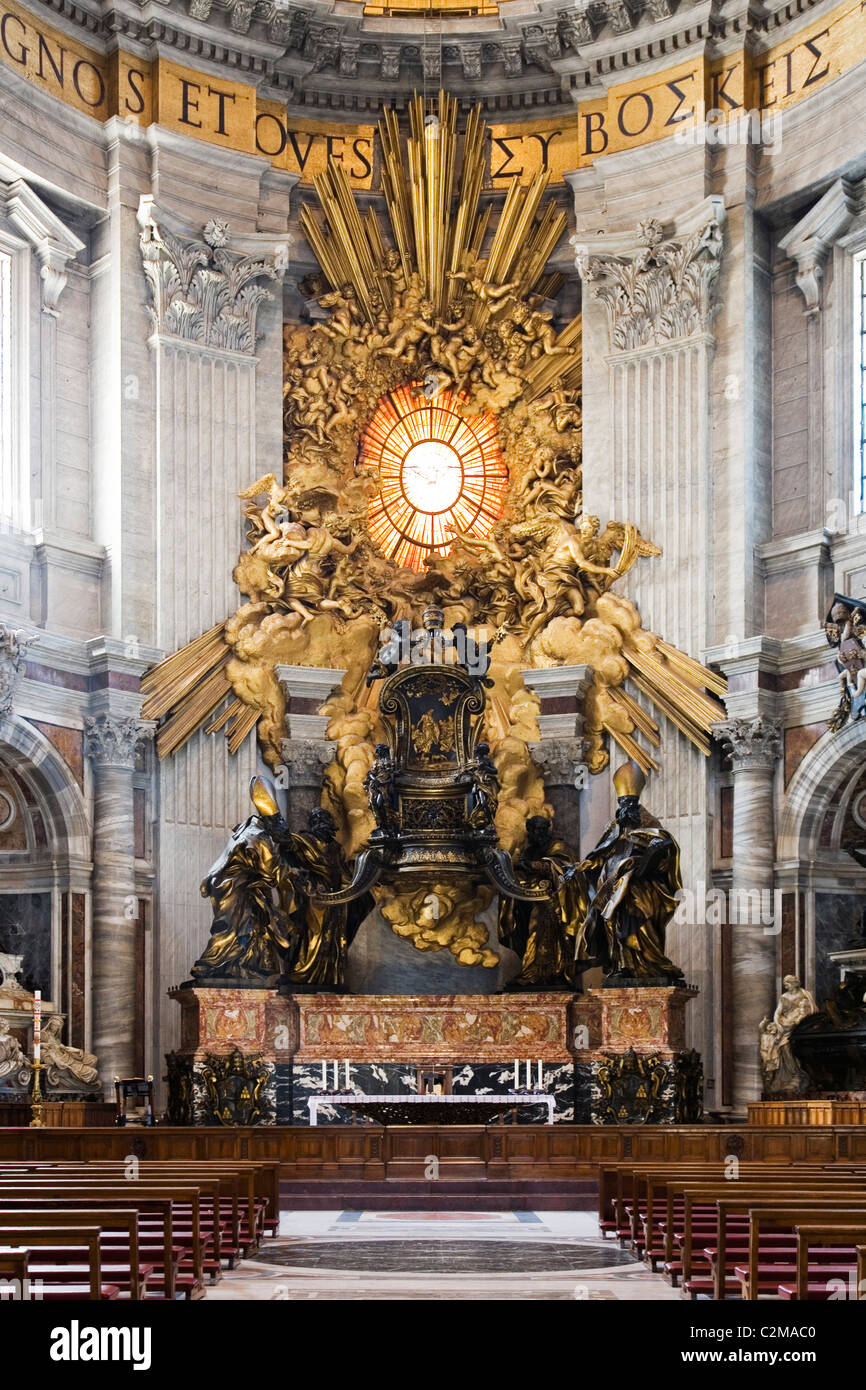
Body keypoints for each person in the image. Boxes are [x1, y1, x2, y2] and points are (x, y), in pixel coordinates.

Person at [576, 761, 684, 984]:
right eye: (622, 802)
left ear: (636, 803)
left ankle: (649, 963)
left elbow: (666, 850)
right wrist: (584, 868)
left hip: (641, 889)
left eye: (629, 802)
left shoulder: (649, 824)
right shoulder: (614, 828)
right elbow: (597, 855)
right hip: (614, 889)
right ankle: (621, 965)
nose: (625, 807)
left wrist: (644, 860)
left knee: (639, 924)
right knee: (614, 925)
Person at [190, 776, 296, 986]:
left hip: (228, 885)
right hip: (234, 889)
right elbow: (271, 875)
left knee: (254, 926)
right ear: (272, 825)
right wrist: (293, 873)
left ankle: (247, 967)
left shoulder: (246, 828)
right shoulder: (259, 837)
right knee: (232, 927)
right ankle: (211, 964)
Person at [498, 815, 586, 990]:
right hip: (532, 901)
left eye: (541, 829)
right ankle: (532, 971)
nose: (538, 833)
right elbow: (522, 874)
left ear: (547, 829)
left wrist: (532, 866)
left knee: (539, 932)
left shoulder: (558, 846)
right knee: (528, 930)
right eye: (534, 830)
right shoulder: (530, 850)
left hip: (554, 905)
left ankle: (545, 973)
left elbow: (563, 867)